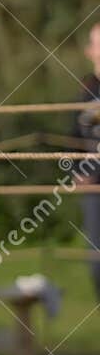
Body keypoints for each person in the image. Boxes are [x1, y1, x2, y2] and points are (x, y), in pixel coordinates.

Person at [76, 23, 100, 299]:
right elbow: (72, 139)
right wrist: (76, 172)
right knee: (96, 260)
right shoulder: (85, 91)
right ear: (89, 51)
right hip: (93, 190)